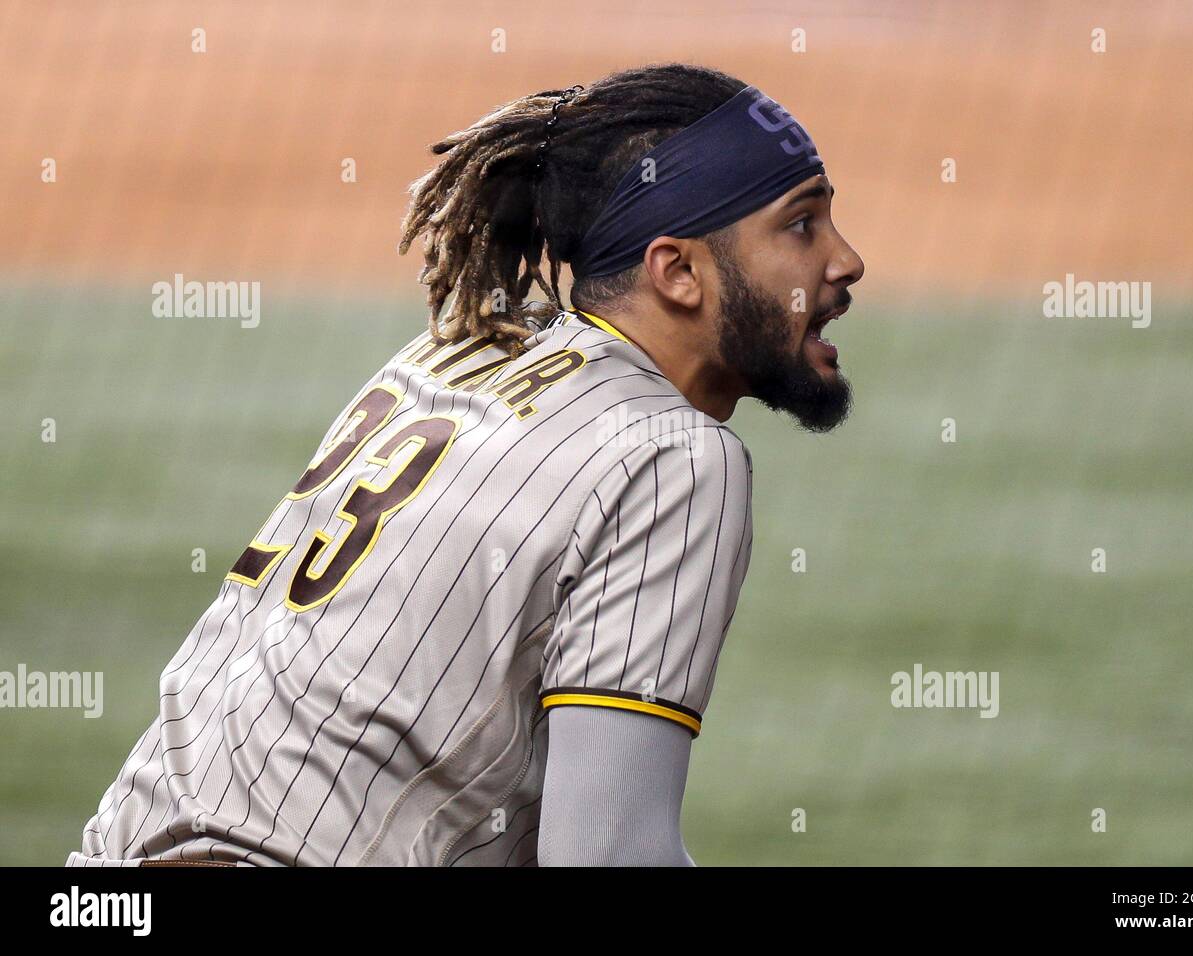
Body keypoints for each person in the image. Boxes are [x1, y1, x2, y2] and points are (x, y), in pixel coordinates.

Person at [68, 61, 864, 867]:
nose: (846, 260)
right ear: (678, 272)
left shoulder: (460, 352)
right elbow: (610, 854)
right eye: (801, 225)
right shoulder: (673, 453)